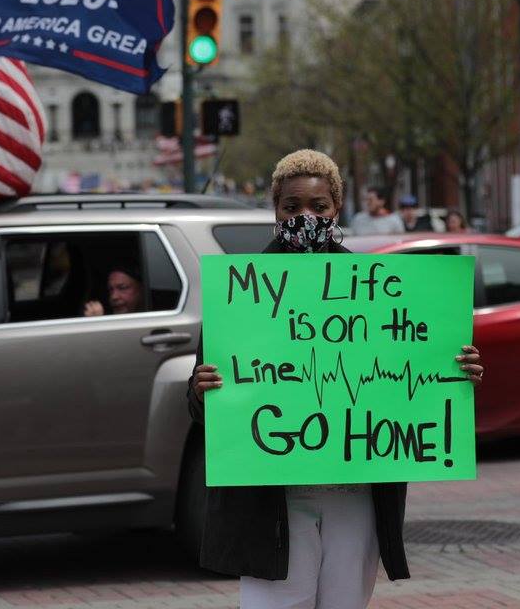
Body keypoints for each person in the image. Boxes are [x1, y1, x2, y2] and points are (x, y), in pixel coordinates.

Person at [188, 149, 484, 609]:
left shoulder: (381, 290)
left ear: (336, 208)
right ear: (276, 210)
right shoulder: (240, 292)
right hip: (273, 501)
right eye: (292, 207)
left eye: (318, 206)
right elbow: (203, 409)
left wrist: (455, 373)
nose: (305, 217)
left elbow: (408, 373)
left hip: (355, 496)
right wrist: (202, 390)